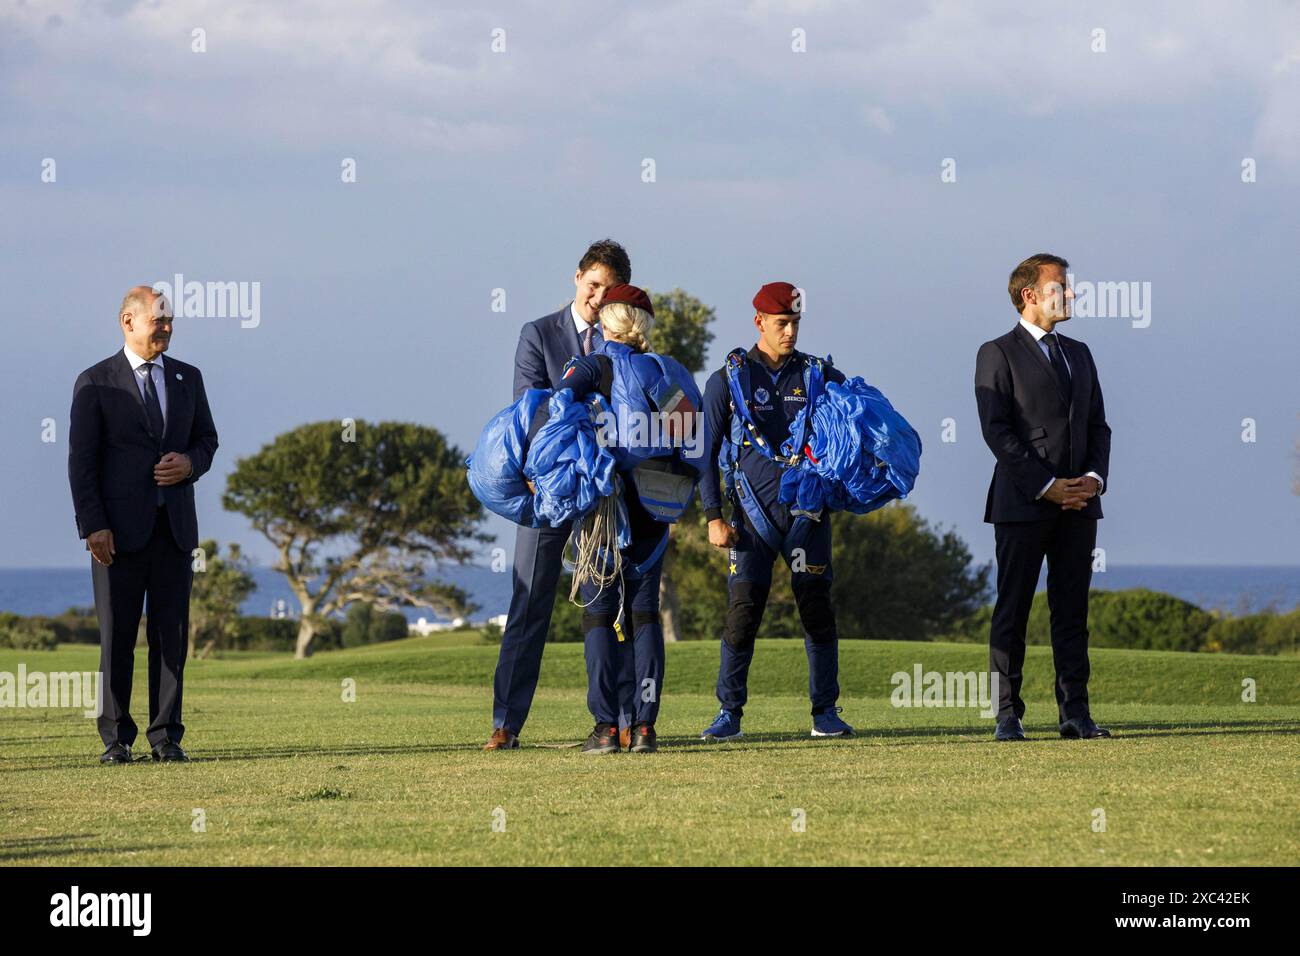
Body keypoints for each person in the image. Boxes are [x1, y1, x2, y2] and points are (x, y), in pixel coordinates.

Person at [484, 240, 637, 750]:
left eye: (609, 290)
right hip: (545, 491)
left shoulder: (627, 345)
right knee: (529, 606)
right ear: (576, 279)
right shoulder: (538, 334)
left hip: (603, 496)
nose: (598, 298)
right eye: (593, 285)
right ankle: (506, 726)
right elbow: (527, 408)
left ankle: (611, 723)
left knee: (603, 606)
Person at [536, 284, 702, 754]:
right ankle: (645, 728)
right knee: (645, 614)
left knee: (599, 616)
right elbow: (689, 430)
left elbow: (557, 409)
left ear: (607, 321)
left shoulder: (592, 366)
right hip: (655, 509)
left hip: (603, 512)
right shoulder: (661, 371)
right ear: (643, 324)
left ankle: (607, 727)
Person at [68, 286, 219, 764]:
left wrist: (189, 464)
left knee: (171, 636)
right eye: (160, 321)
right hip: (115, 536)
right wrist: (93, 525)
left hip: (174, 531)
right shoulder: (95, 382)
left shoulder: (188, 377)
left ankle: (166, 736)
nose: (168, 328)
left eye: (171, 321)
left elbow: (208, 441)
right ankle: (116, 739)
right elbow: (82, 462)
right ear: (128, 322)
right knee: (116, 637)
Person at [698, 281, 854, 741]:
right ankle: (729, 714)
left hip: (808, 515)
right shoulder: (728, 379)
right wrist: (711, 517)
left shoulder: (818, 375)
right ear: (759, 322)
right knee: (744, 610)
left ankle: (825, 712)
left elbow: (855, 423)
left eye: (796, 324)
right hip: (750, 519)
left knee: (817, 608)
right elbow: (703, 453)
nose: (790, 332)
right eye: (782, 323)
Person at [975, 253, 1112, 741]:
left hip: (1079, 505)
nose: (1071, 294)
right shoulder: (997, 352)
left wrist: (1093, 479)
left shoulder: (1081, 353)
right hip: (1022, 503)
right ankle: (1007, 714)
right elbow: (998, 432)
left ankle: (1076, 713)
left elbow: (1098, 425)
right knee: (1012, 608)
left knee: (1072, 610)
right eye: (1061, 287)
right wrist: (1047, 486)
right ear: (1029, 295)